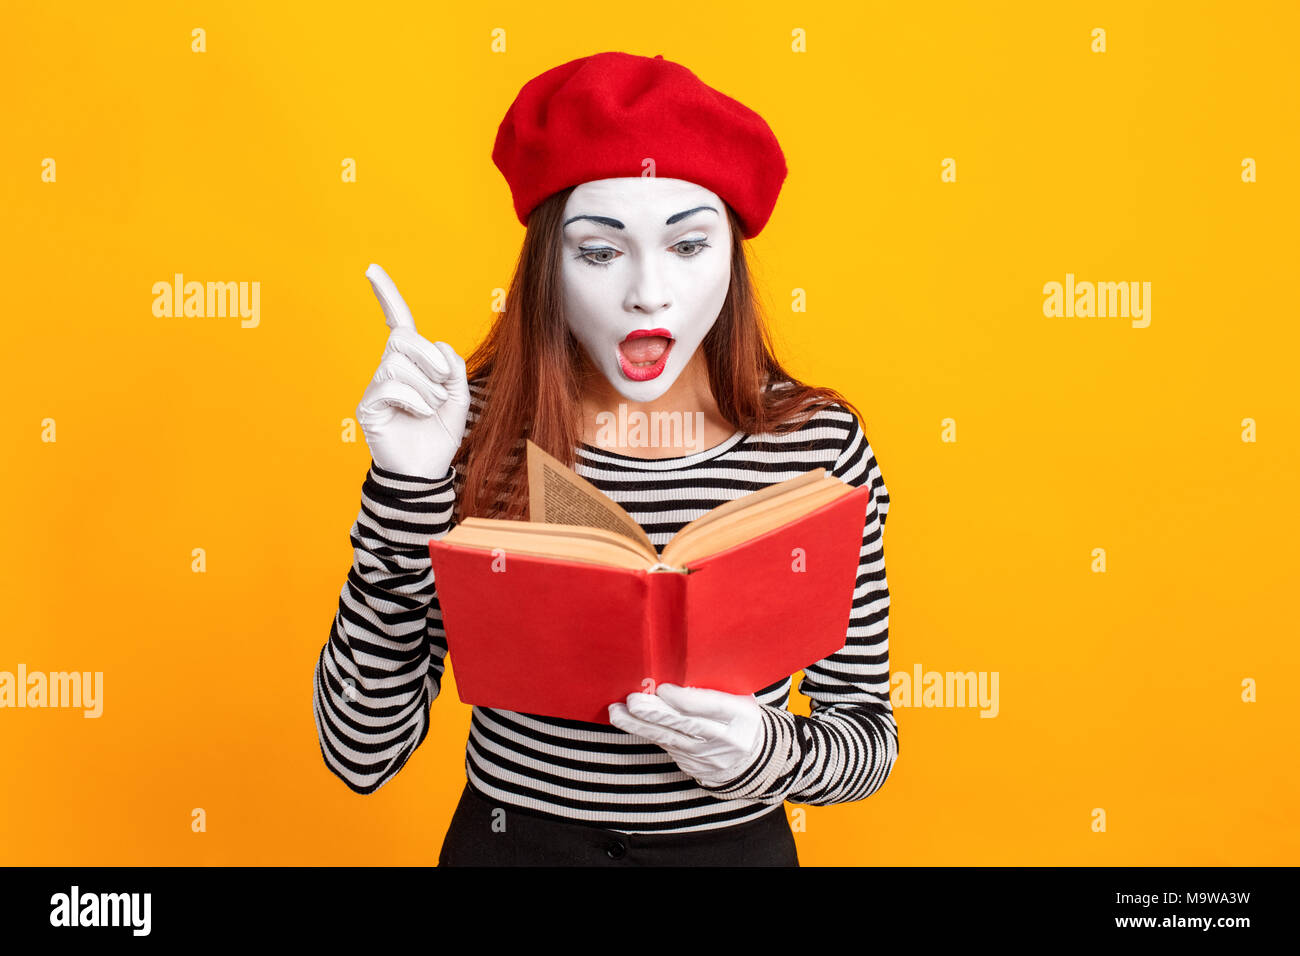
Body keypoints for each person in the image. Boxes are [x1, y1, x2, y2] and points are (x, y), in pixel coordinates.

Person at [312, 51, 898, 866]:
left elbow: (865, 737)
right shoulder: (466, 427)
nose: (647, 293)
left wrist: (765, 753)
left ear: (732, 260)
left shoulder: (817, 445)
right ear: (548, 267)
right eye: (599, 252)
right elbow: (358, 750)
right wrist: (404, 486)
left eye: (689, 247)